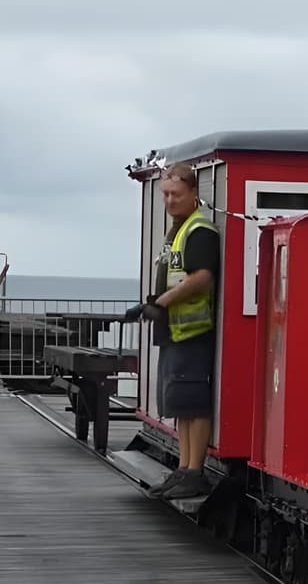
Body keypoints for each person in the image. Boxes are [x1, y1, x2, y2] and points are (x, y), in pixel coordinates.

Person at [128, 162, 221, 500]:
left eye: (176, 194)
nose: (169, 201)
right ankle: (183, 468)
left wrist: (162, 302)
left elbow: (201, 278)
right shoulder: (179, 229)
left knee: (194, 405)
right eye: (165, 194)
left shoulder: (200, 230)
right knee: (181, 405)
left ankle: (195, 471)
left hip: (193, 333)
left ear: (194, 193)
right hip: (176, 334)